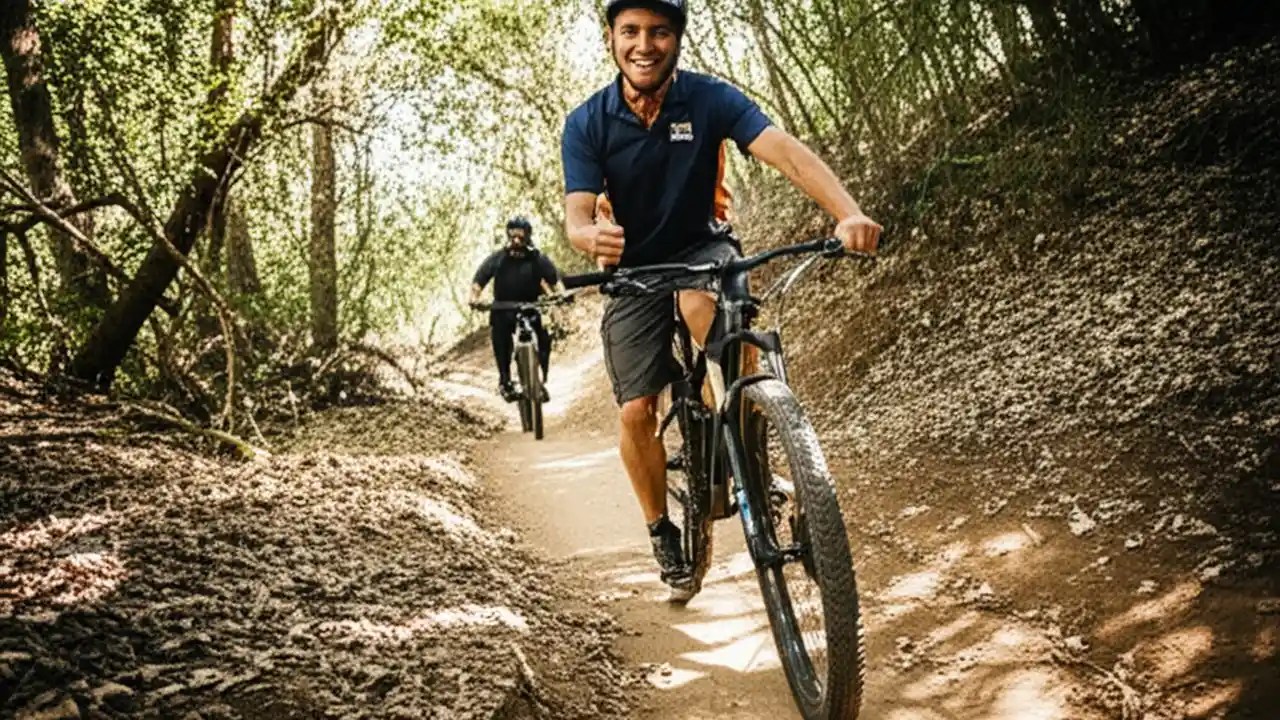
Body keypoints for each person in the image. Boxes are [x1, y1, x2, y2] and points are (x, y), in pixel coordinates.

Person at [560, 0, 882, 600]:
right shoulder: (587, 123)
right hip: (634, 270)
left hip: (705, 249)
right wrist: (588, 237)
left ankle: (752, 440)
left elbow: (783, 150)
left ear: (677, 39)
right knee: (636, 412)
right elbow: (578, 216)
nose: (644, 44)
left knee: (704, 306)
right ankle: (661, 529)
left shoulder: (707, 98)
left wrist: (849, 213)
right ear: (611, 39)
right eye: (630, 31)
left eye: (659, 31)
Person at [469, 216, 562, 402]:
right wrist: (474, 298)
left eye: (520, 236)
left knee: (544, 339)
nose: (516, 241)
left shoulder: (537, 258)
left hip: (530, 307)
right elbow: (479, 280)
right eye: (513, 236)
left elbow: (555, 280)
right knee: (500, 338)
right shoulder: (498, 258)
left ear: (528, 237)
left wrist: (561, 296)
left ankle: (540, 381)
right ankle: (505, 381)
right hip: (503, 309)